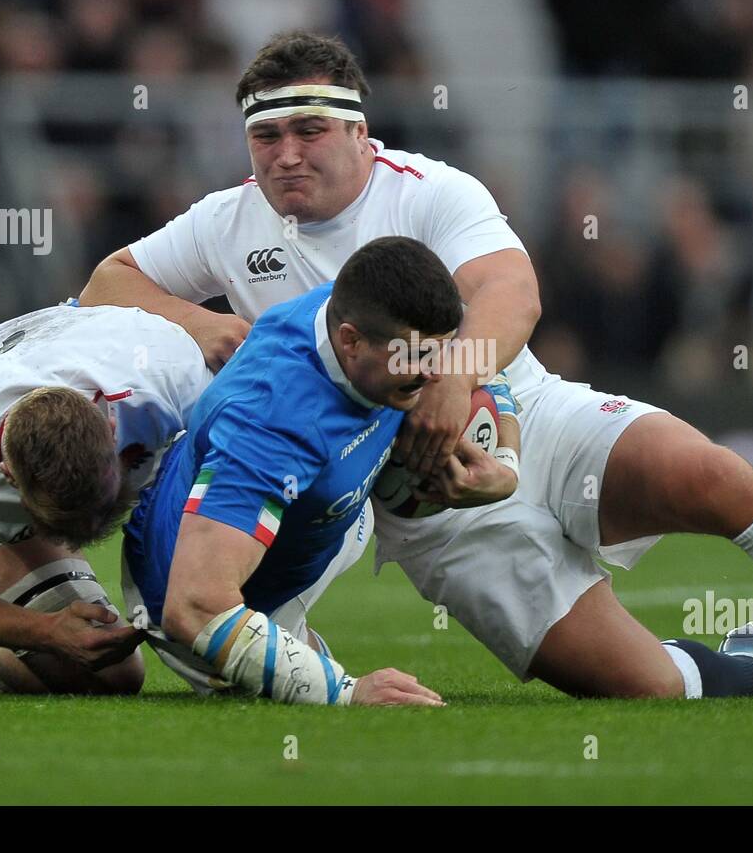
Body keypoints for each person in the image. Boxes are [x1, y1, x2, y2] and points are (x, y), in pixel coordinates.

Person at [81, 30, 753, 703]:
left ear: (361, 132)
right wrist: (201, 326)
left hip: (527, 408)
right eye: (265, 135)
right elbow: (106, 281)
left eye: (309, 130)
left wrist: (454, 374)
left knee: (715, 475)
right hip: (427, 505)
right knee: (644, 685)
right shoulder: (229, 218)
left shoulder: (429, 190)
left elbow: (512, 291)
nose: (285, 154)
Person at [121, 236, 519, 705]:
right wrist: (347, 693)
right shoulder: (270, 423)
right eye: (415, 358)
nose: (437, 373)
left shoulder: (379, 314)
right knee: (282, 700)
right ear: (349, 341)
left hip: (323, 514)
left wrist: (506, 468)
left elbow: (474, 359)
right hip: (192, 595)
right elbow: (193, 608)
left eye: (440, 352)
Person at [0, 303, 211, 694]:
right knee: (109, 677)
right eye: (63, 524)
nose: (84, 537)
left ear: (112, 428)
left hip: (73, 341)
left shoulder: (166, 370)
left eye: (101, 505)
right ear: (9, 477)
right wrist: (47, 632)